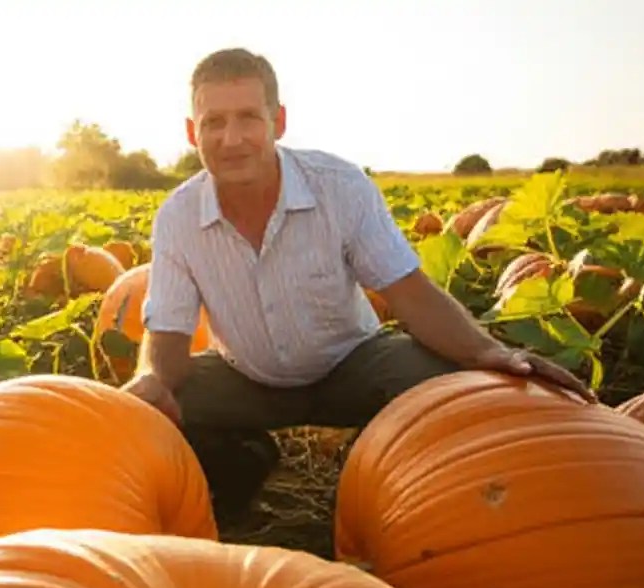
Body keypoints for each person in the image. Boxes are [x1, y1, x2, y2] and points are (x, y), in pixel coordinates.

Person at [122, 47, 595, 521]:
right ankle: (242, 464)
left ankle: (375, 465)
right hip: (247, 377)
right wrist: (152, 380)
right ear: (192, 132)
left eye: (248, 117)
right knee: (161, 405)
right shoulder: (178, 217)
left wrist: (484, 352)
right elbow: (166, 331)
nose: (232, 138)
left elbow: (409, 292)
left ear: (278, 121)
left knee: (448, 382)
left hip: (352, 364)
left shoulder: (339, 187)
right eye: (213, 123)